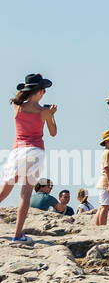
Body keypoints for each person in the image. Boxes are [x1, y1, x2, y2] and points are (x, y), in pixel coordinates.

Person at [1, 74, 58, 242]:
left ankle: (17, 234)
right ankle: (17, 235)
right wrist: (52, 114)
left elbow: (20, 101)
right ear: (40, 91)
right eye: (44, 90)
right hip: (35, 151)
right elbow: (53, 133)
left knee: (4, 190)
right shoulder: (44, 112)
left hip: (17, 151)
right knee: (25, 193)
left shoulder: (17, 107)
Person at [94, 131, 109, 226]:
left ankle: (98, 226)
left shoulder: (107, 152)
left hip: (105, 182)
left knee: (102, 207)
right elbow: (107, 169)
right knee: (105, 207)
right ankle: (102, 227)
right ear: (107, 141)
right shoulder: (108, 152)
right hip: (106, 182)